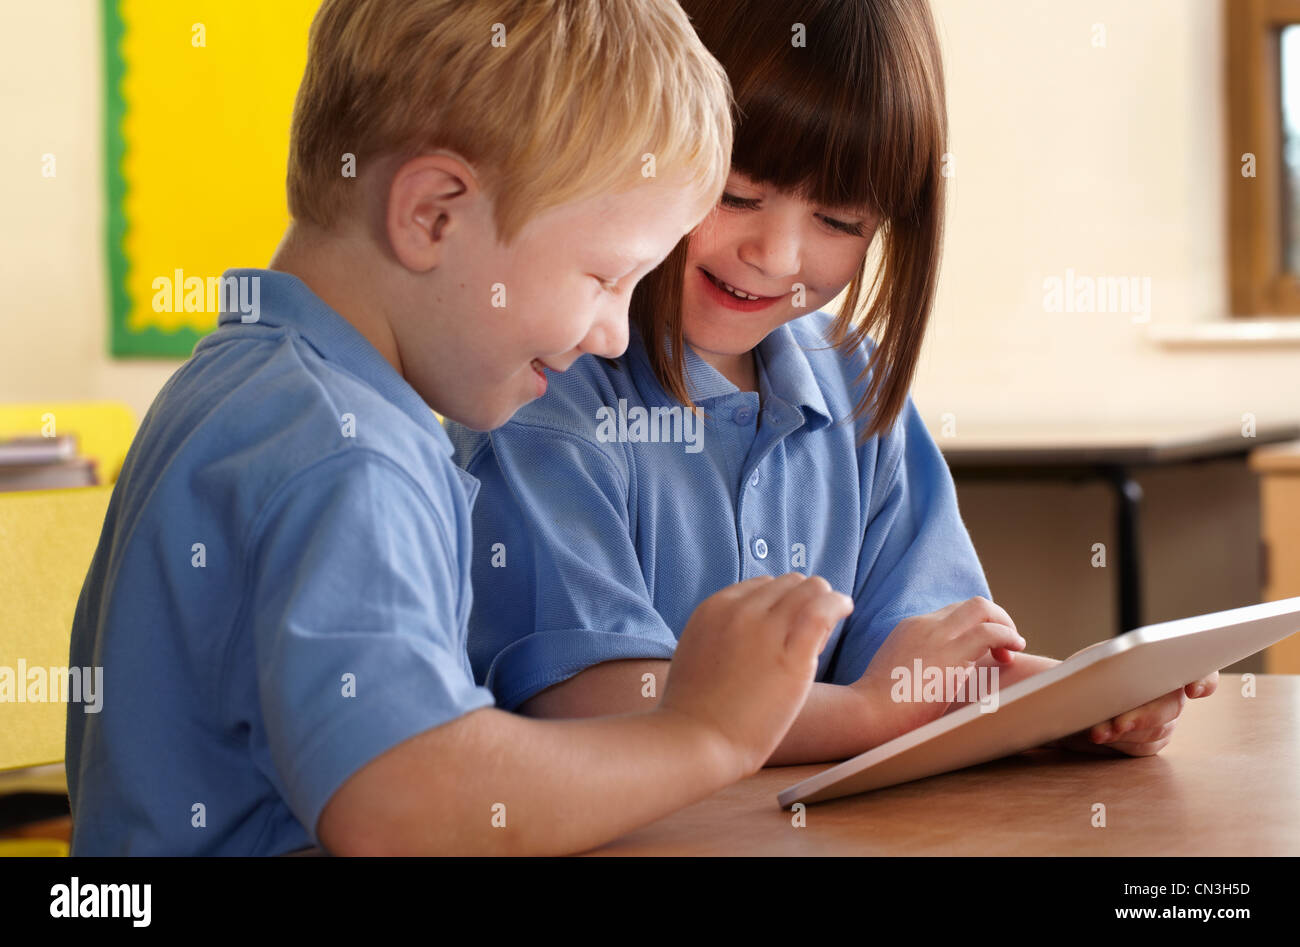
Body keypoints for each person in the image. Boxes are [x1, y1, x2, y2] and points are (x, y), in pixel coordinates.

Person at [65, 0, 852, 856]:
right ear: (433, 216)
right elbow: (404, 801)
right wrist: (705, 734)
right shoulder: (345, 453)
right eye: (605, 277)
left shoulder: (247, 380)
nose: (614, 333)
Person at [448, 0, 1215, 766]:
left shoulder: (856, 382)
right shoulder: (542, 387)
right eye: (736, 194)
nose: (777, 256)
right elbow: (595, 701)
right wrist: (871, 714)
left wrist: (1084, 698)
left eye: (841, 222)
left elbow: (930, 666)